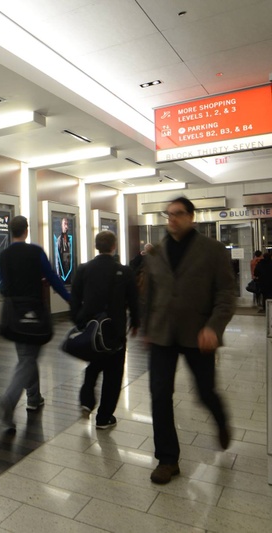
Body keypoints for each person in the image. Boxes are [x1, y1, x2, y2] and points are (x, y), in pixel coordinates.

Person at [143, 197, 235, 485]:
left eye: (178, 214)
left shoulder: (213, 250)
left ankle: (221, 420)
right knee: (159, 395)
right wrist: (145, 326)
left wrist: (214, 328)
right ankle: (167, 460)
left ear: (191, 217)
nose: (172, 219)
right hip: (162, 335)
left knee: (205, 392)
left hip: (198, 334)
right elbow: (149, 293)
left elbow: (225, 294)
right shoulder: (156, 252)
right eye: (168, 214)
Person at [0, 216, 71, 431]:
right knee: (29, 358)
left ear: (10, 231)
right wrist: (69, 299)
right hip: (34, 312)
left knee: (26, 357)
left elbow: (3, 284)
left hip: (13, 314)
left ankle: (34, 397)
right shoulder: (36, 252)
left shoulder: (3, 255)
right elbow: (53, 277)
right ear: (26, 230)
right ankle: (9, 400)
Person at [71, 231, 140, 429]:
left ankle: (86, 400)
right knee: (114, 373)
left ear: (96, 246)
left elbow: (75, 297)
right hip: (115, 329)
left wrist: (78, 320)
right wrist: (135, 323)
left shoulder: (84, 269)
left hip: (91, 329)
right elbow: (133, 300)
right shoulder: (124, 271)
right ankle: (104, 417)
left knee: (94, 363)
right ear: (114, 246)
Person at [55, 216, 73, 281]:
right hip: (63, 272)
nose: (66, 226)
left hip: (69, 270)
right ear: (61, 225)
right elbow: (57, 259)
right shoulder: (59, 240)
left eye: (67, 224)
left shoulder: (69, 239)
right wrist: (59, 274)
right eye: (64, 224)